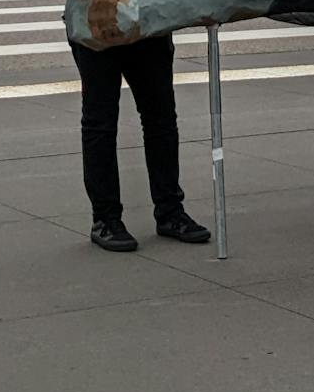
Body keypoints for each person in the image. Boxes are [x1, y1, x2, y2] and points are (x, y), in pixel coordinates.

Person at [69, 27, 212, 252]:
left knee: (161, 118)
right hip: (97, 15)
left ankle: (170, 210)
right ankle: (105, 218)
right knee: (101, 124)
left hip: (147, 19)